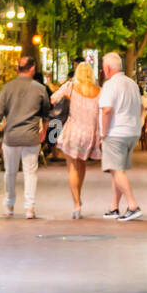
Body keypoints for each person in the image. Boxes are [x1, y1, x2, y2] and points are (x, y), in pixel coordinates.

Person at [0, 57, 51, 219]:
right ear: (32, 69)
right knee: (30, 172)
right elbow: (46, 114)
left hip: (11, 137)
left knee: (10, 172)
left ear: (18, 69)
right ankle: (29, 208)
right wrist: (43, 131)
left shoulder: (8, 88)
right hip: (31, 136)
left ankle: (9, 204)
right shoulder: (40, 89)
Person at [50, 61, 102, 218]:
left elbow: (53, 99)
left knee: (72, 168)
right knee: (82, 166)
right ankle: (78, 196)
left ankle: (76, 204)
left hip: (73, 131)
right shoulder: (98, 91)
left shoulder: (70, 86)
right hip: (89, 133)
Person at [98, 52, 143, 221]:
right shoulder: (131, 84)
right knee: (117, 170)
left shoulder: (110, 85)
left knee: (116, 170)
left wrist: (103, 133)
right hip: (132, 131)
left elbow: (107, 110)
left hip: (115, 132)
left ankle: (132, 206)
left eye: (103, 68)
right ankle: (114, 207)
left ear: (108, 68)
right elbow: (141, 107)